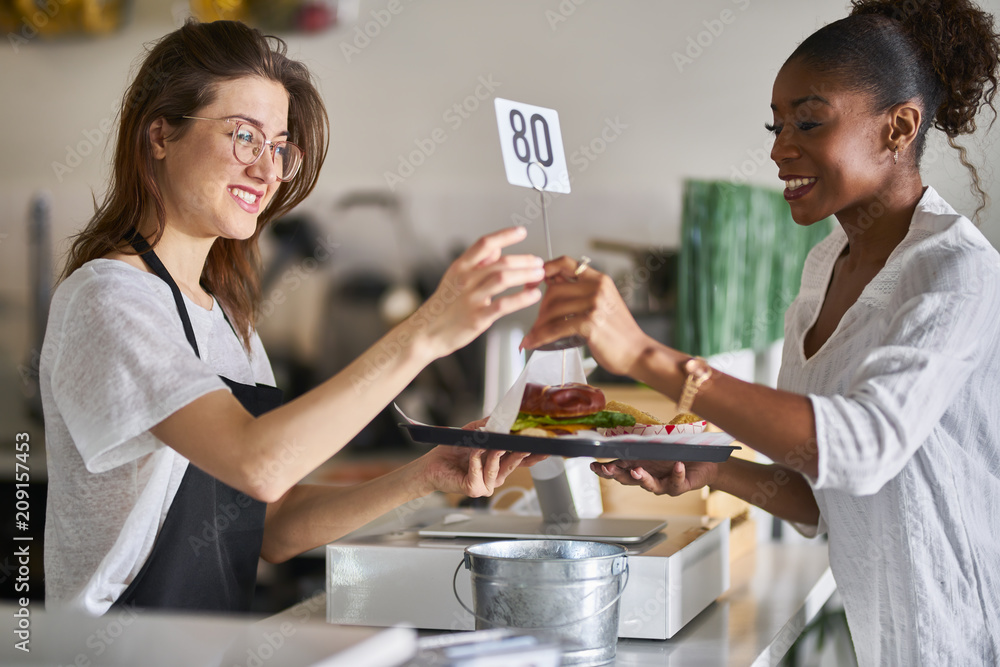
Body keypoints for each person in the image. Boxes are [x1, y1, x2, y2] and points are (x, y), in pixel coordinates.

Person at [524, 0, 1000, 664]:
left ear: (899, 127)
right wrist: (712, 470)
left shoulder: (957, 270)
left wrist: (644, 355)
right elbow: (819, 495)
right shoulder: (822, 268)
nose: (780, 150)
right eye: (776, 126)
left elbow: (863, 448)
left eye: (809, 121)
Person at [41, 19, 546, 616]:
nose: (267, 170)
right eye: (243, 136)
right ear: (160, 134)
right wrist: (423, 335)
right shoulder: (108, 298)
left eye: (279, 147)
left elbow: (273, 524)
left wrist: (428, 473)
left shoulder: (229, 320)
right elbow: (258, 463)